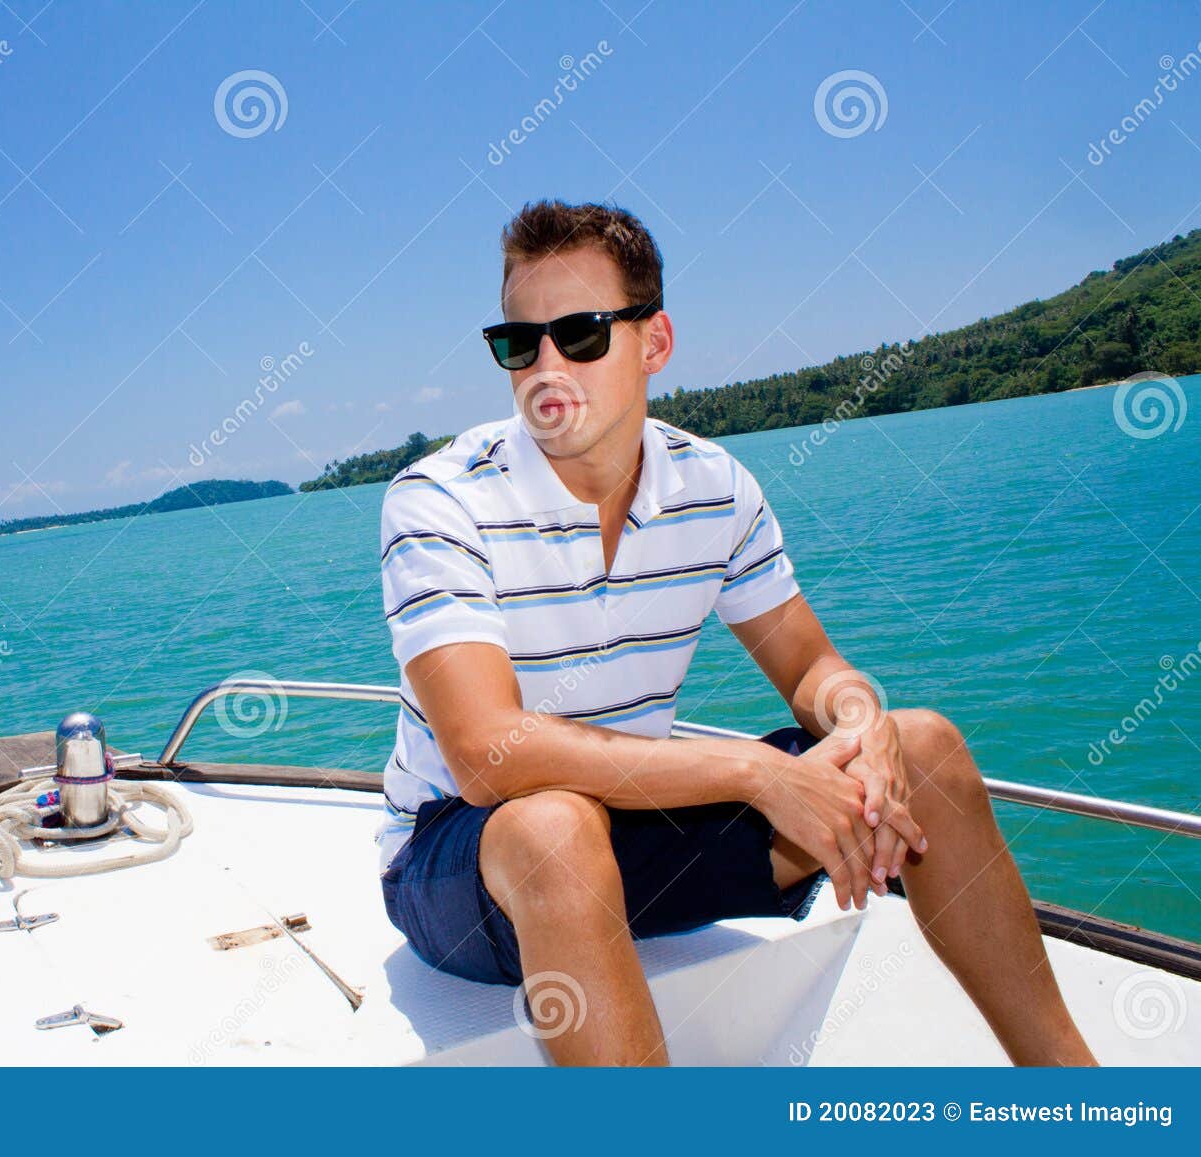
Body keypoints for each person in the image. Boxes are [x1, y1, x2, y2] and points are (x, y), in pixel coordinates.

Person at [375, 199, 1095, 1067]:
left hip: (630, 830)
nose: (546, 367)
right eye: (519, 343)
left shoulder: (715, 487)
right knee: (554, 827)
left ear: (654, 342)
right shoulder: (441, 500)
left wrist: (859, 721)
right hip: (462, 861)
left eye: (580, 333)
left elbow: (812, 665)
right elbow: (490, 752)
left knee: (925, 749)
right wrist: (758, 773)